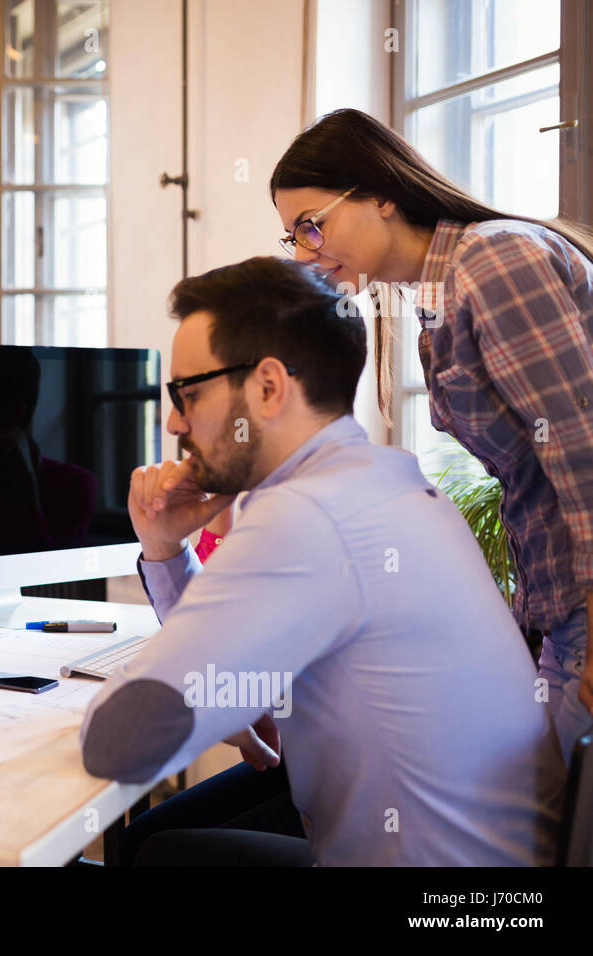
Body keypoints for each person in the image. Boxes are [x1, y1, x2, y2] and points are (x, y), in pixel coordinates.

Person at [79, 256, 565, 866]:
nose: (174, 420)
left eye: (190, 392)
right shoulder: (386, 482)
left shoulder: (308, 517)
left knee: (158, 853)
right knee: (161, 832)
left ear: (268, 387)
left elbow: (117, 744)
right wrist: (166, 550)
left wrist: (193, 683)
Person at [271, 108, 593, 762]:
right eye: (292, 238)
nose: (306, 252)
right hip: (560, 616)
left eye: (313, 224)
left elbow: (585, 458)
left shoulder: (493, 263)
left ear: (382, 194)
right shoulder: (435, 298)